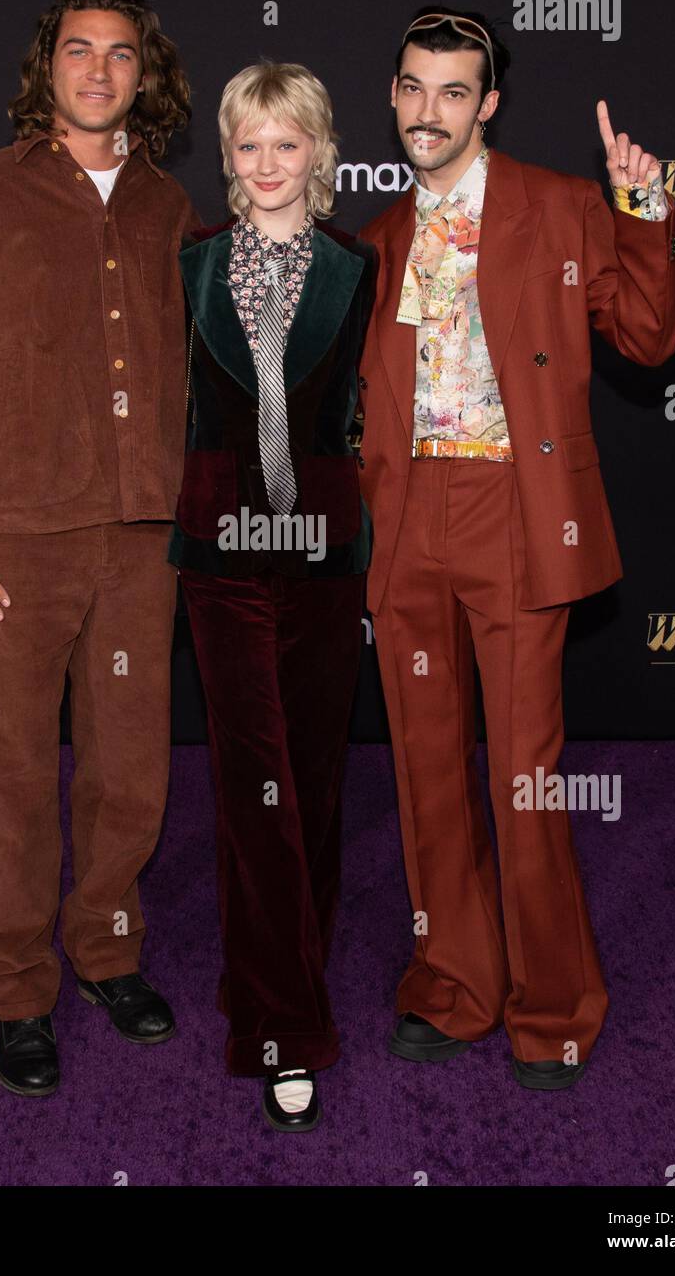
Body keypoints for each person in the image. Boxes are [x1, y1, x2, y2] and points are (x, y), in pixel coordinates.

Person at [357, 6, 675, 1090]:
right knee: (423, 766)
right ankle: (453, 981)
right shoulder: (375, 239)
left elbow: (644, 334)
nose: (429, 110)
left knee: (522, 779)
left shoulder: (556, 205)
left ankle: (551, 1008)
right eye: (412, 87)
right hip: (407, 525)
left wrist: (639, 205)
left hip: (515, 513)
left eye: (453, 90)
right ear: (393, 96)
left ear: (487, 103)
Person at [0, 0, 203, 1096]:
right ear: (48, 67)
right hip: (14, 544)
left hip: (140, 543)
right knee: (13, 777)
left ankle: (108, 950)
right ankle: (20, 988)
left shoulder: (174, 214)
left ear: (144, 76)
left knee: (129, 774)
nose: (100, 71)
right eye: (80, 51)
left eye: (122, 54)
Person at [171, 61, 378, 1130]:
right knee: (253, 788)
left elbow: (368, 416)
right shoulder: (191, 261)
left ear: (318, 152)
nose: (264, 164)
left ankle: (280, 968)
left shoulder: (359, 265)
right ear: (229, 153)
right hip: (222, 558)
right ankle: (281, 1026)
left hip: (323, 552)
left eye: (284, 143)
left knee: (314, 786)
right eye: (246, 144)